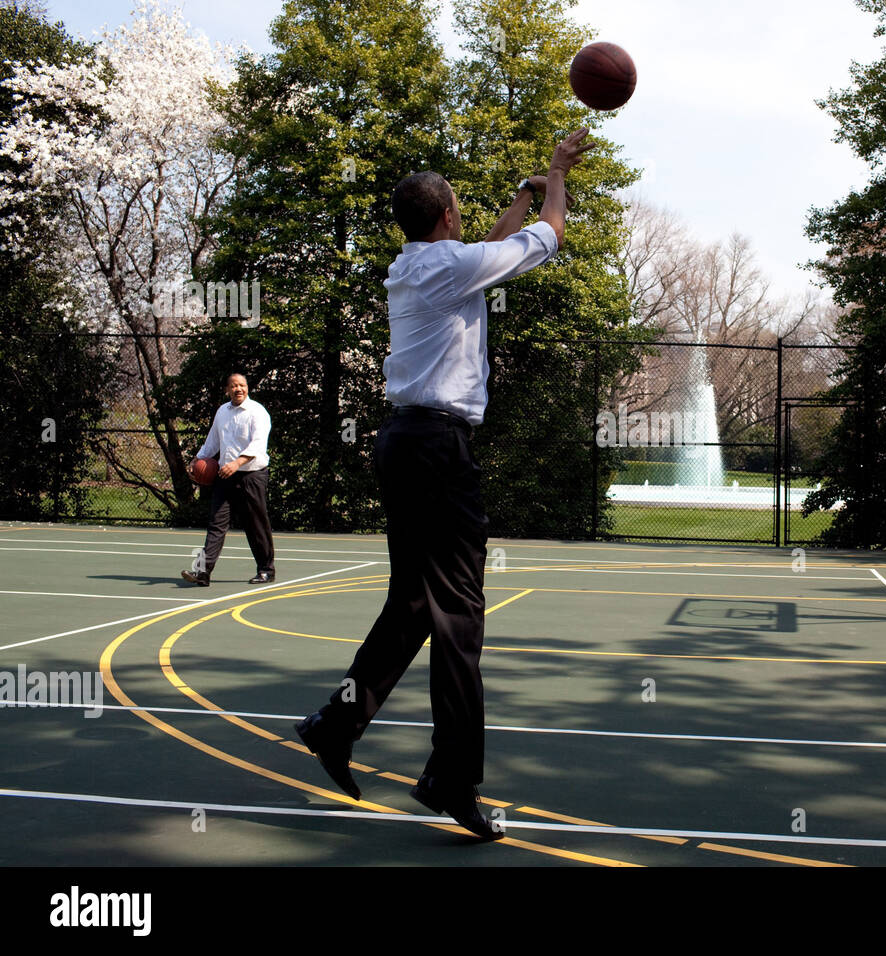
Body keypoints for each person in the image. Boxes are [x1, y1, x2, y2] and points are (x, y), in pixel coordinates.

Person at [295, 128, 595, 841]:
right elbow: (551, 237)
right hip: (436, 449)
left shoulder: (422, 266)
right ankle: (450, 777)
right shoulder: (448, 269)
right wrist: (554, 176)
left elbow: (492, 248)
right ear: (448, 218)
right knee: (459, 617)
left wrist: (518, 199)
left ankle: (334, 726)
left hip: (405, 444)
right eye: (462, 209)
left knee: (412, 606)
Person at [181, 372, 276, 587]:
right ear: (227, 389)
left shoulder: (257, 412)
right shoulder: (222, 412)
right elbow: (212, 442)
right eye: (233, 386)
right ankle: (202, 572)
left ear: (247, 388)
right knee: (216, 523)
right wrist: (197, 461)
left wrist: (237, 463)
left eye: (242, 385)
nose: (238, 389)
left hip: (252, 475)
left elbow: (258, 445)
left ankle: (266, 570)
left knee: (255, 524)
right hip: (225, 475)